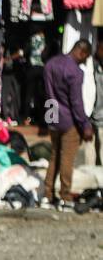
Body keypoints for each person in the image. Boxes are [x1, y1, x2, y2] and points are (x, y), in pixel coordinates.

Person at [43, 39, 95, 206]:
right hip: (68, 120)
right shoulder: (75, 72)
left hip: (51, 115)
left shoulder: (50, 64)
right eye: (85, 57)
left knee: (54, 156)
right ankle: (65, 195)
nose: (85, 62)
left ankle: (47, 193)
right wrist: (85, 126)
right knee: (67, 158)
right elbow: (76, 103)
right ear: (81, 52)